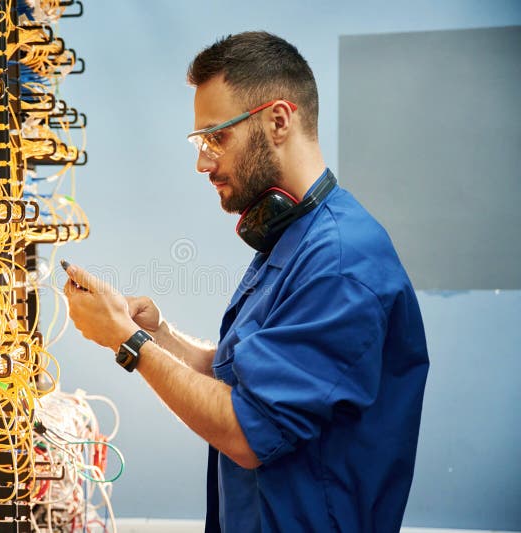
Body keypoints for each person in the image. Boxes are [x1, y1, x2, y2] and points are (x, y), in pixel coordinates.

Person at [61, 31, 429, 533]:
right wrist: (158, 332)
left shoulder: (341, 263)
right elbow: (245, 375)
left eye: (217, 136)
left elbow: (248, 431)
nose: (202, 161)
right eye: (200, 141)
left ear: (278, 120)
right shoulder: (292, 235)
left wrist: (129, 343)